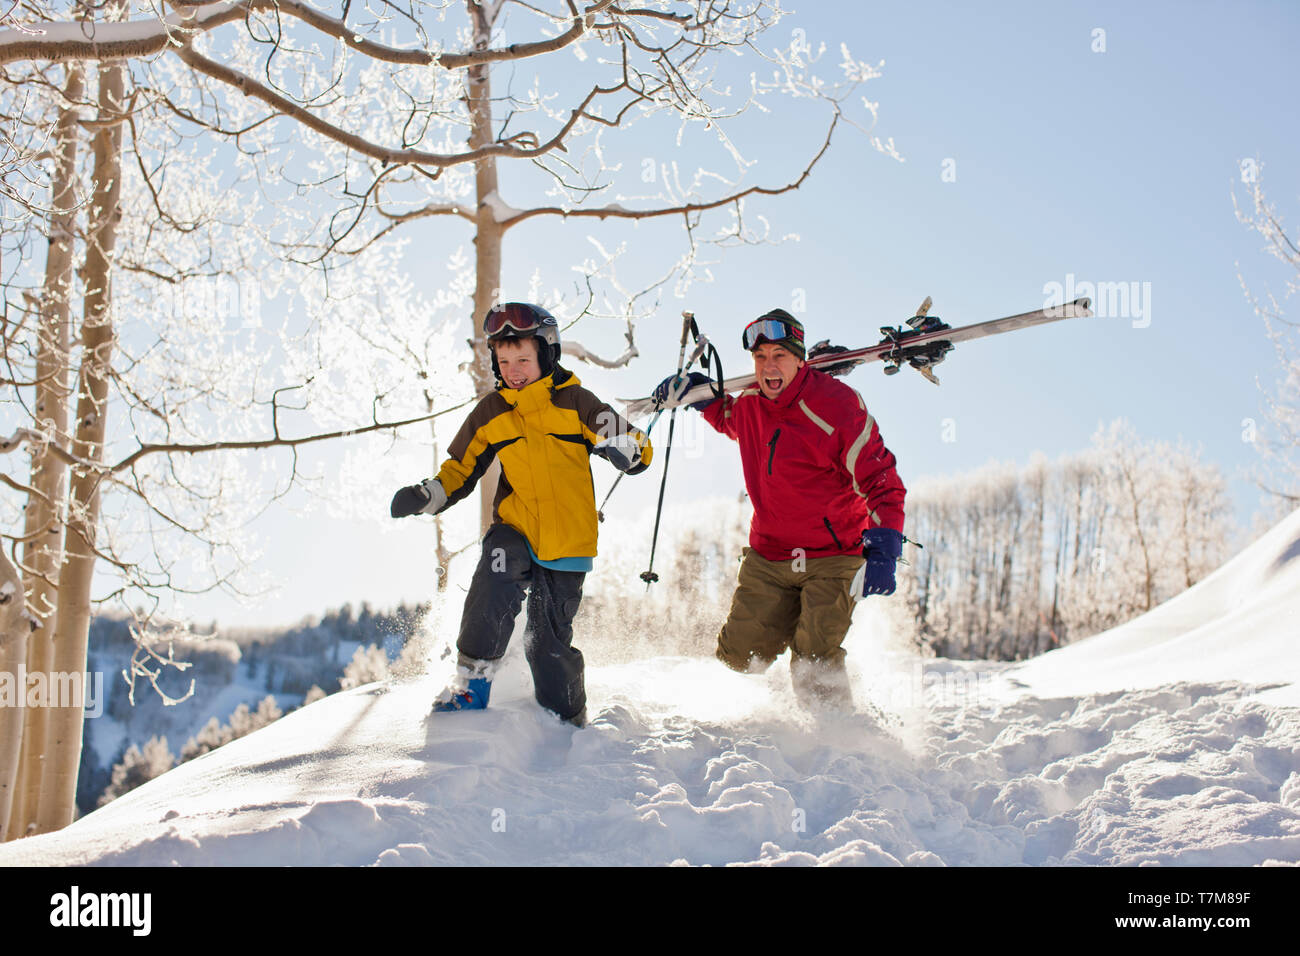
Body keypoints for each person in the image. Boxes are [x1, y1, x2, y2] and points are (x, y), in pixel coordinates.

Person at [391, 303, 653, 725]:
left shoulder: (576, 402)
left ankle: (565, 718)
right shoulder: (492, 412)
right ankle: (471, 685)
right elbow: (461, 467)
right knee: (494, 578)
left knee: (545, 640)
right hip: (514, 528)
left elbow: (627, 439)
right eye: (504, 360)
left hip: (568, 539)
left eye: (523, 360)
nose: (513, 370)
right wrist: (427, 495)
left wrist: (630, 450)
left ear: (547, 356)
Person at [655, 308, 906, 709]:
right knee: (739, 657)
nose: (768, 367)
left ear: (800, 358)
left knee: (814, 660)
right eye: (760, 357)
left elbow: (882, 481)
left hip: (833, 553)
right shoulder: (753, 400)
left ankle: (841, 741)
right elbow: (731, 419)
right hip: (770, 552)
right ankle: (770, 718)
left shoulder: (838, 407)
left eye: (779, 355)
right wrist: (700, 394)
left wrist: (884, 548)